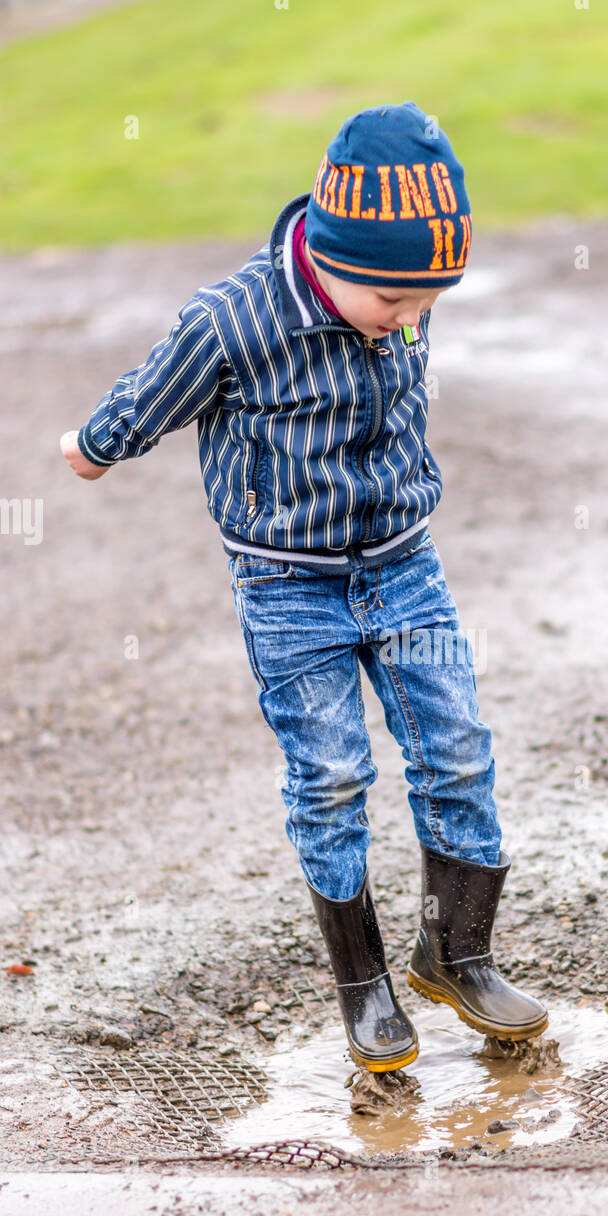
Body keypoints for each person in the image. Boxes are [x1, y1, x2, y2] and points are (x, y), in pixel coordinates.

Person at [60, 100, 548, 1075]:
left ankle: (456, 951)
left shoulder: (398, 293)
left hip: (404, 566)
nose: (411, 323)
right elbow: (149, 392)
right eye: (396, 305)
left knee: (455, 747)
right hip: (289, 587)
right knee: (329, 776)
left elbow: (402, 318)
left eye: (427, 306)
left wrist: (407, 309)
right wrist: (91, 446)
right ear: (334, 261)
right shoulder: (231, 321)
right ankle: (361, 981)